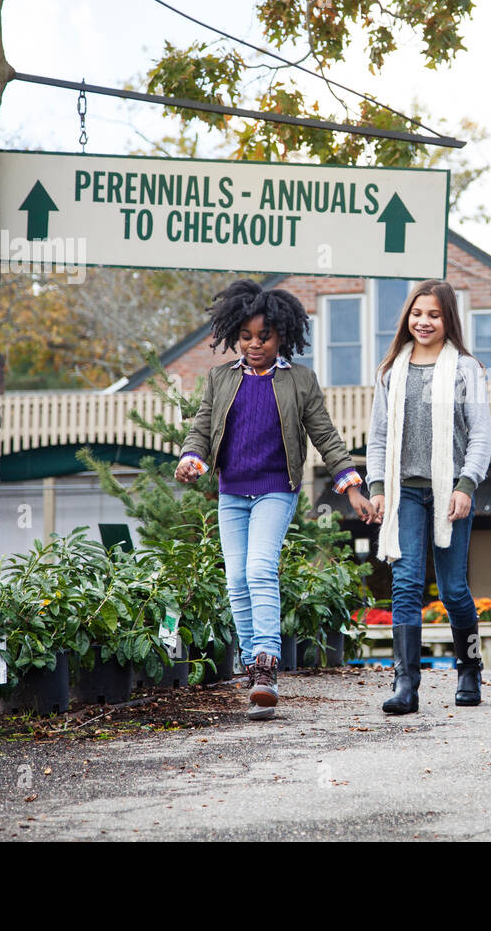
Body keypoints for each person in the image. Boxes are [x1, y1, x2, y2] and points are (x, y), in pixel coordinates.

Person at [176, 281, 374, 721]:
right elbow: (202, 429)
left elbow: (325, 436)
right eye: (245, 337)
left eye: (263, 336)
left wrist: (353, 487)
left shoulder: (299, 380)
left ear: (281, 334)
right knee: (236, 582)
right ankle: (253, 674)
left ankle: (266, 666)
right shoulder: (220, 378)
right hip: (231, 493)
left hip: (275, 491)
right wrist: (191, 458)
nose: (254, 344)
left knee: (259, 569)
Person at [367, 280, 491, 715]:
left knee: (454, 589)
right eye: (418, 313)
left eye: (434, 315)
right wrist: (378, 487)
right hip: (405, 493)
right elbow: (379, 436)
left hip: (450, 494)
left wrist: (466, 485)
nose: (424, 321)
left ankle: (470, 668)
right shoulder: (390, 371)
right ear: (407, 317)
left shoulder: (466, 370)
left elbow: (480, 434)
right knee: (405, 585)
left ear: (448, 320)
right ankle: (406, 684)